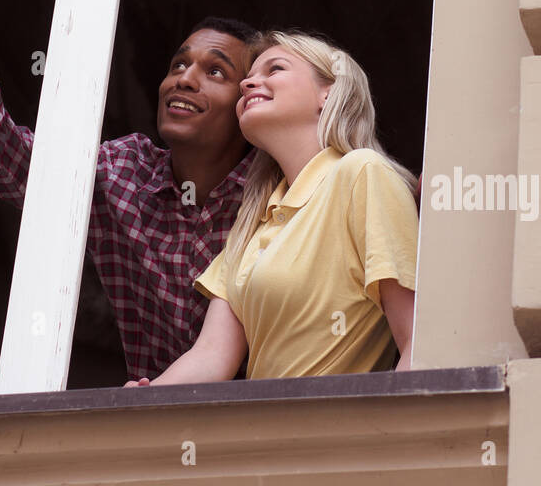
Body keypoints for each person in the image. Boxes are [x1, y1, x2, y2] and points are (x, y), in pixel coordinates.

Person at [0, 0, 261, 380]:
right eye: (179, 64)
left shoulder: (280, 192)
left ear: (248, 102)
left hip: (266, 434)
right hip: (150, 426)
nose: (184, 79)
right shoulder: (124, 173)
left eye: (215, 71)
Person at [124, 30, 419, 387]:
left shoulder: (361, 174)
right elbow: (211, 356)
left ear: (328, 92)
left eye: (274, 69)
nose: (249, 83)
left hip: (333, 436)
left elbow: (418, 343)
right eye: (248, 77)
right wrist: (146, 397)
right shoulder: (252, 220)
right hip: (257, 438)